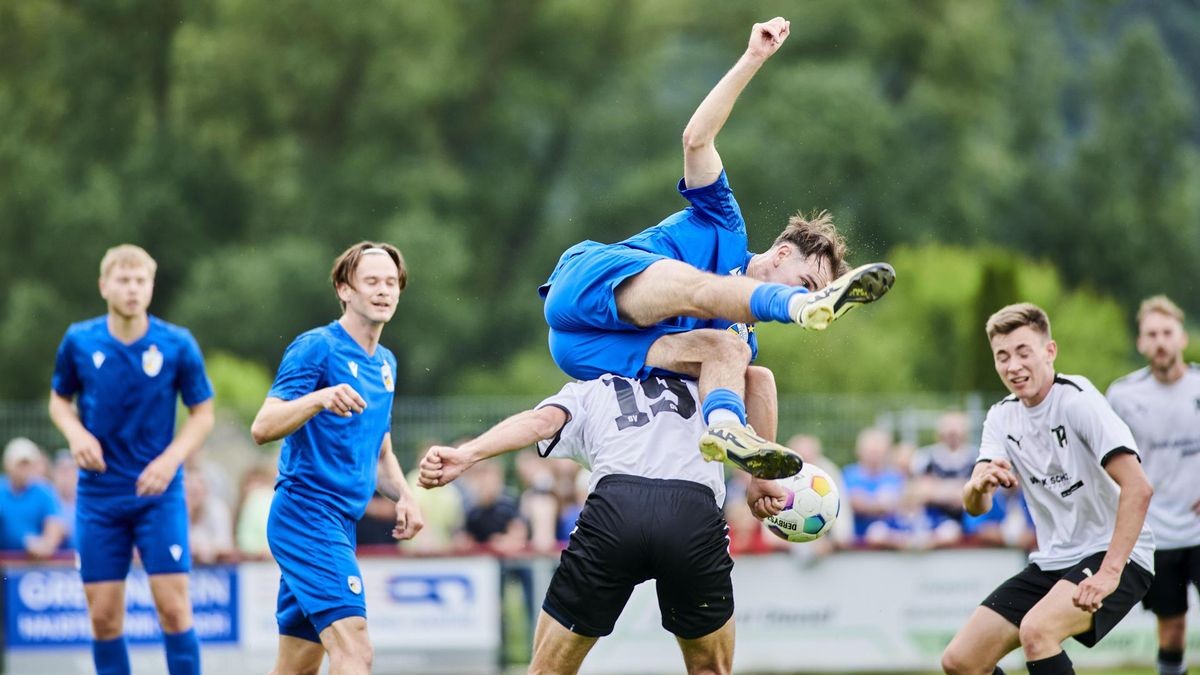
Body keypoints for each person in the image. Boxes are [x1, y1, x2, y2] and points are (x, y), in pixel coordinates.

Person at [538, 17, 894, 480]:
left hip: (586, 348)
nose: (806, 288)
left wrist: (763, 483)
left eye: (812, 294)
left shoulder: (742, 336)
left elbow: (757, 384)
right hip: (586, 288)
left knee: (733, 354)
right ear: (782, 253)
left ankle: (725, 428)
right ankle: (796, 307)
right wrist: (754, 57)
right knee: (704, 291)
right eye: (806, 284)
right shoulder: (727, 226)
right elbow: (696, 139)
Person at [418, 366, 785, 675]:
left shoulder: (593, 386)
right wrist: (760, 478)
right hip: (691, 513)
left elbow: (540, 422)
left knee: (548, 670)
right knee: (709, 669)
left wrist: (467, 454)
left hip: (616, 511)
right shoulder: (707, 381)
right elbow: (760, 379)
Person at [942, 303, 1155, 675]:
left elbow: (1139, 488)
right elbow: (975, 506)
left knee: (1037, 632)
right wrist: (977, 486)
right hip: (1054, 561)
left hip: (1118, 555)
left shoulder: (1077, 401)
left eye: (1023, 352)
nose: (1013, 366)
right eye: (1002, 357)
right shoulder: (1001, 416)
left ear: (1049, 351)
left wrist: (1109, 573)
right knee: (960, 662)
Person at [250, 241, 424, 675]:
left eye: (391, 283)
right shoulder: (317, 347)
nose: (383, 290)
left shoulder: (386, 363)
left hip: (340, 523)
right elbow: (263, 426)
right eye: (372, 281)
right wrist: (319, 398)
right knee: (356, 650)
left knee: (297, 667)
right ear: (345, 290)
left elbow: (380, 451)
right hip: (307, 515)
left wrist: (405, 496)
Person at [49, 244, 214, 675]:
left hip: (158, 494)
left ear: (151, 287)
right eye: (123, 280)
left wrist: (171, 460)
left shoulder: (176, 343)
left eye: (141, 281)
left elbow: (203, 413)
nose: (132, 289)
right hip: (99, 496)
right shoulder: (79, 340)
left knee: (174, 610)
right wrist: (76, 433)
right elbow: (59, 401)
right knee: (104, 618)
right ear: (104, 286)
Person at [1106, 295, 1200, 675]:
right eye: (1152, 334)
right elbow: (1105, 461)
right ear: (1141, 343)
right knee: (1172, 630)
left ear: (1182, 338)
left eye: (1166, 332)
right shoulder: (1122, 396)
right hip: (1157, 534)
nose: (1160, 341)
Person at [0, 438, 66, 559]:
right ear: (8, 464)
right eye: (21, 464)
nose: (24, 469)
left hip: (34, 565)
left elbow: (54, 525)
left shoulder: (44, 491)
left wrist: (45, 544)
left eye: (28, 464)